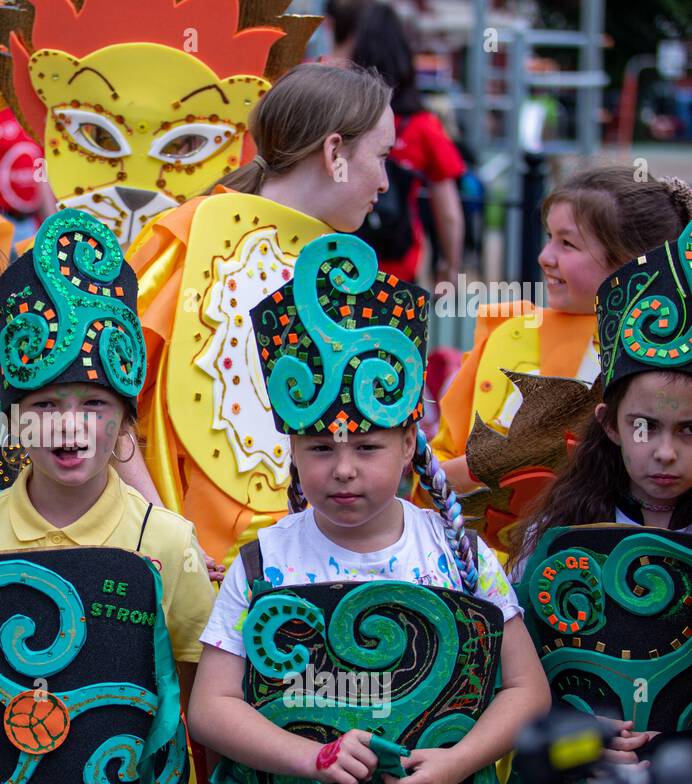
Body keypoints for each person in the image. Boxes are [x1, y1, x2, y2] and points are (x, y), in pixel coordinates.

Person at [187, 231, 550, 784]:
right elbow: (212, 709)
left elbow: (527, 689)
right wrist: (311, 756)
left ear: (410, 444)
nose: (343, 470)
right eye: (320, 449)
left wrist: (457, 760)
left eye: (368, 447)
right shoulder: (263, 562)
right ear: (292, 453)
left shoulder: (457, 553)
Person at [0, 207, 221, 784]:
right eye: (46, 406)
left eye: (93, 405)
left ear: (124, 424)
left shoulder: (167, 545)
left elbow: (201, 706)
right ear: (16, 417)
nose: (70, 428)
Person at [127, 62, 396, 567]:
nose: (384, 182)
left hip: (308, 573)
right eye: (381, 157)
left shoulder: (348, 278)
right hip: (180, 577)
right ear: (335, 152)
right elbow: (103, 400)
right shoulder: (188, 238)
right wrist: (159, 530)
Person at [510, 218, 692, 764]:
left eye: (690, 430)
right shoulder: (553, 539)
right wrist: (579, 750)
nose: (664, 452)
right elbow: (520, 695)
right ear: (609, 426)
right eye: (645, 427)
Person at [433, 169, 692, 495]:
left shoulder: (671, 352)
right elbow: (445, 448)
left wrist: (468, 471)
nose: (545, 257)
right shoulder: (508, 332)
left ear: (631, 262)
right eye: (549, 237)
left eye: (567, 243)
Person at [335, 1, 465, 287]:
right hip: (398, 271)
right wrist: (450, 266)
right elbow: (449, 212)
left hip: (340, 263)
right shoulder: (423, 125)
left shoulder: (340, 116)